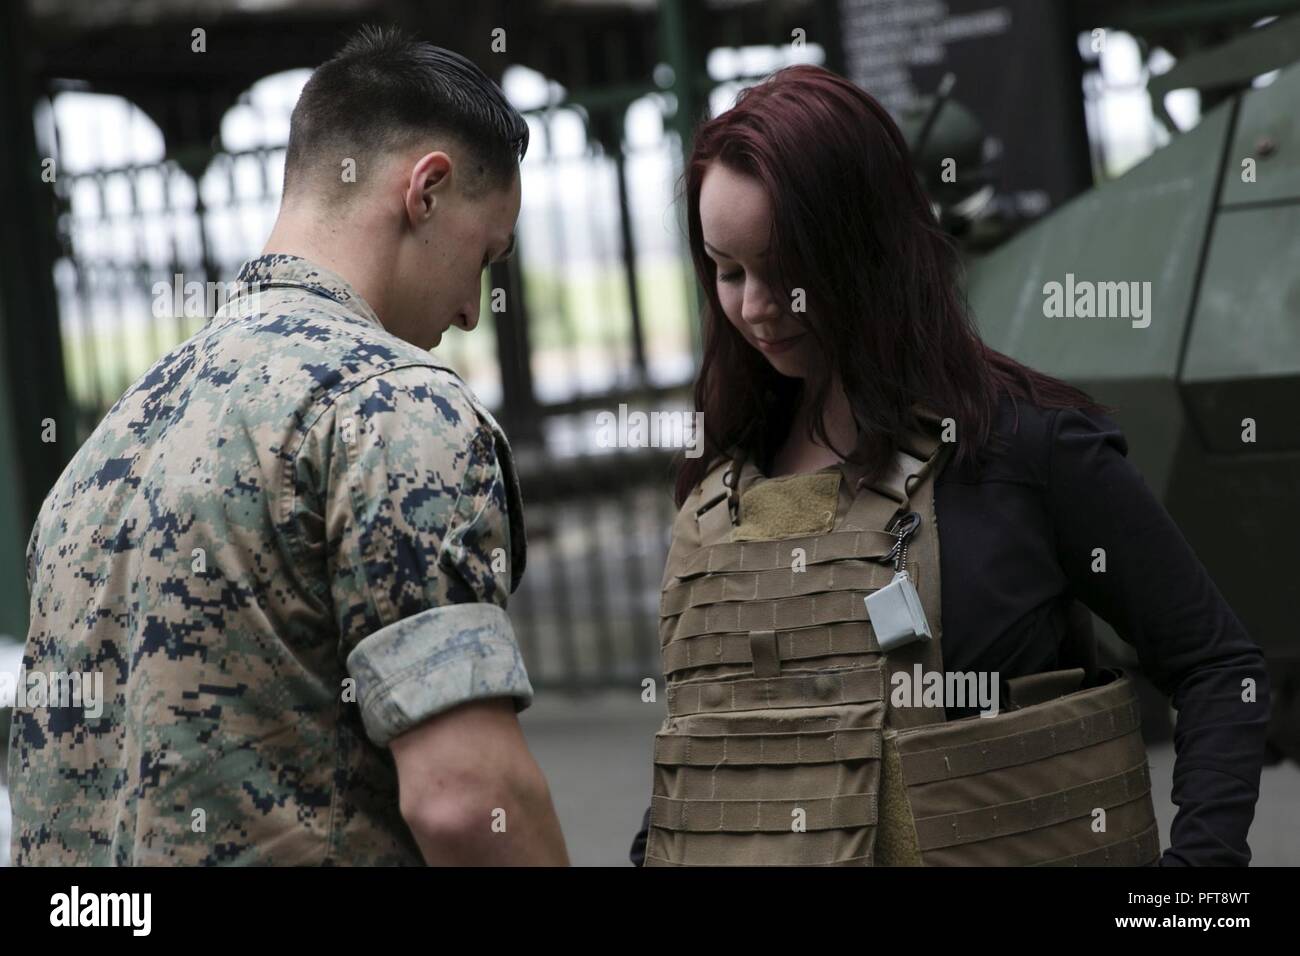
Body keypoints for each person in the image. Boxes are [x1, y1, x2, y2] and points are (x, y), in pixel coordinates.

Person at [631, 65, 1269, 867]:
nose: (757, 306)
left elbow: (1217, 668)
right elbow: (700, 762)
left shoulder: (1025, 449)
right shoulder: (717, 482)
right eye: (728, 270)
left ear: (867, 249)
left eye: (787, 268)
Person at [8, 27, 568, 866]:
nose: (468, 312)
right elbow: (463, 799)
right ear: (427, 189)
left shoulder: (101, 454)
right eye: (485, 257)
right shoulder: (390, 407)